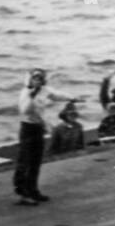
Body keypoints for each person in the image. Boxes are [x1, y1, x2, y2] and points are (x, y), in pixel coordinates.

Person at [13, 68, 71, 204]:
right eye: (35, 78)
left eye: (40, 79)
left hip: (38, 127)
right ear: (30, 80)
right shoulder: (25, 93)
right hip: (27, 128)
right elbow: (24, 110)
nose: (37, 81)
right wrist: (32, 96)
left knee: (36, 161)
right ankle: (23, 193)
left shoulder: (45, 90)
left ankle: (33, 190)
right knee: (25, 161)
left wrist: (72, 98)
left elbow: (56, 95)